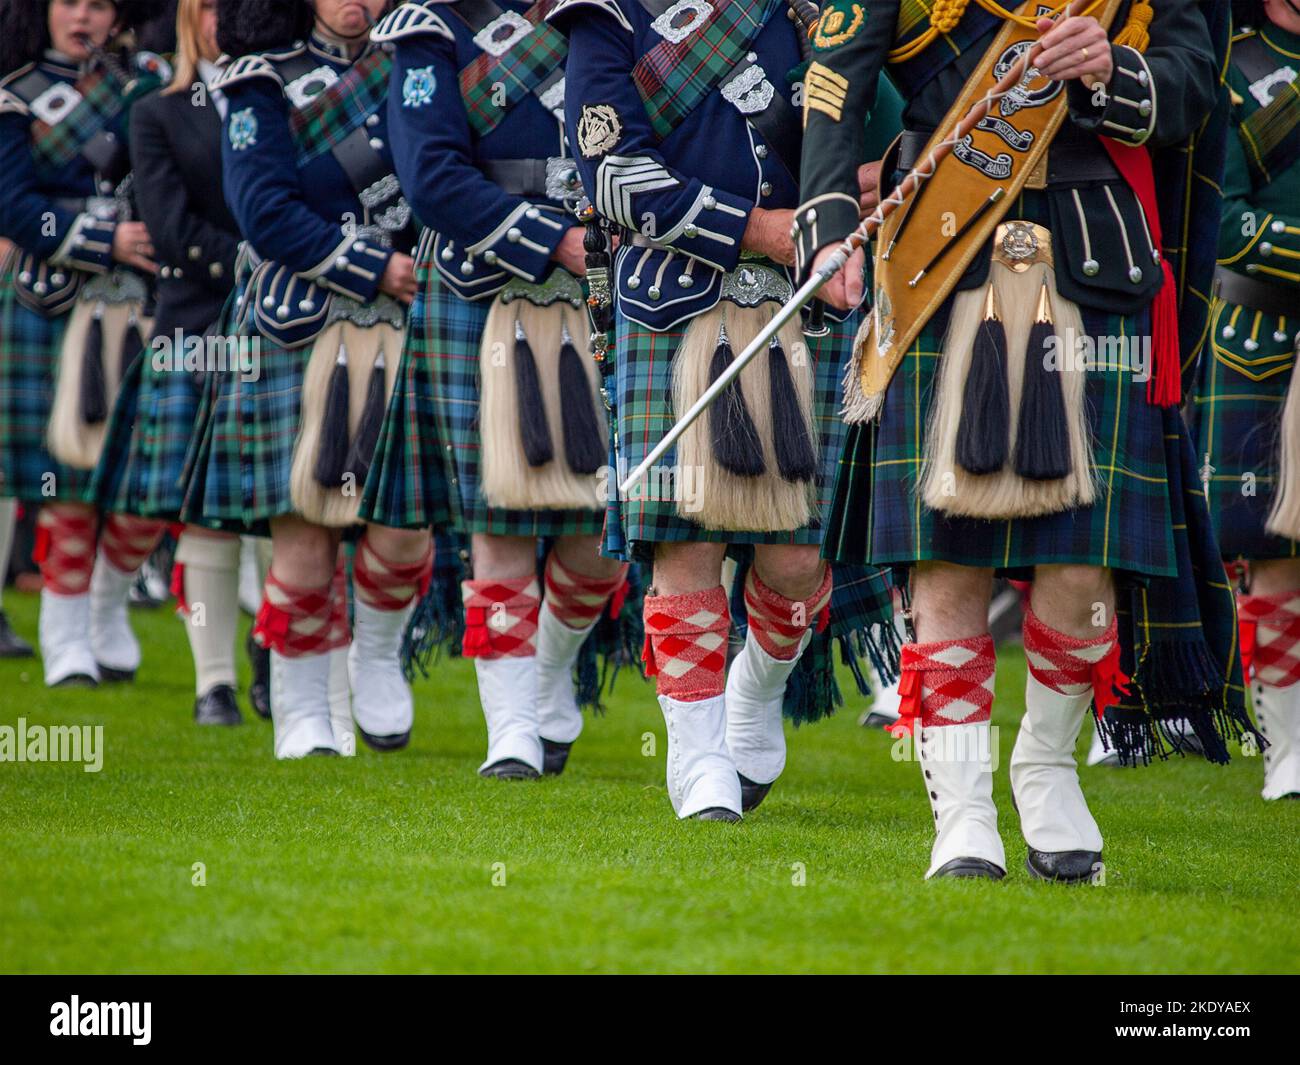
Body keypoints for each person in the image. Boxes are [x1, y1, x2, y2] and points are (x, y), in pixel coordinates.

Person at [800, 0, 1250, 880]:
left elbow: (1197, 84)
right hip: (939, 243)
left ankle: (1045, 764)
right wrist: (823, 221)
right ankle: (962, 813)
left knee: (1083, 560)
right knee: (947, 549)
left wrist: (1114, 71)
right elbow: (834, 75)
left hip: (1096, 251)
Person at [550, 0, 897, 821]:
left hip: (801, 303)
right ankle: (697, 753)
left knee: (797, 562)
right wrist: (754, 227)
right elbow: (609, 173)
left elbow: (868, 118)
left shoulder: (808, 9)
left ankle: (753, 692)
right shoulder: (606, 18)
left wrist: (871, 172)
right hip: (672, 299)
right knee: (685, 536)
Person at [365, 0, 631, 780]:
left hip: (611, 278)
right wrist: (554, 242)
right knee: (500, 516)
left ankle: (549, 666)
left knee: (600, 524)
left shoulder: (605, 16)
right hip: (482, 285)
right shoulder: (432, 30)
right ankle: (510, 723)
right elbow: (432, 179)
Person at [186, 0, 432, 757]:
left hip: (406, 318)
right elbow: (262, 209)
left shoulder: (416, 62)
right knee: (307, 526)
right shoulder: (260, 80)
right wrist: (372, 265)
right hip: (299, 319)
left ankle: (375, 650)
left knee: (404, 524)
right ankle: (300, 712)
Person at [0, 0, 171, 688]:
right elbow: (10, 203)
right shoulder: (16, 95)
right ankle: (65, 629)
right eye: (68, 2)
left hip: (144, 307)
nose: (83, 17)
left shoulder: (150, 80)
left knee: (145, 484)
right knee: (64, 479)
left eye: (98, 4)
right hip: (53, 303)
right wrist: (107, 240)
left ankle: (107, 601)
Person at [1190, 0, 1300, 801]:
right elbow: (1219, 220)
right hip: (1263, 335)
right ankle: (1288, 748)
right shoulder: (1234, 63)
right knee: (1276, 553)